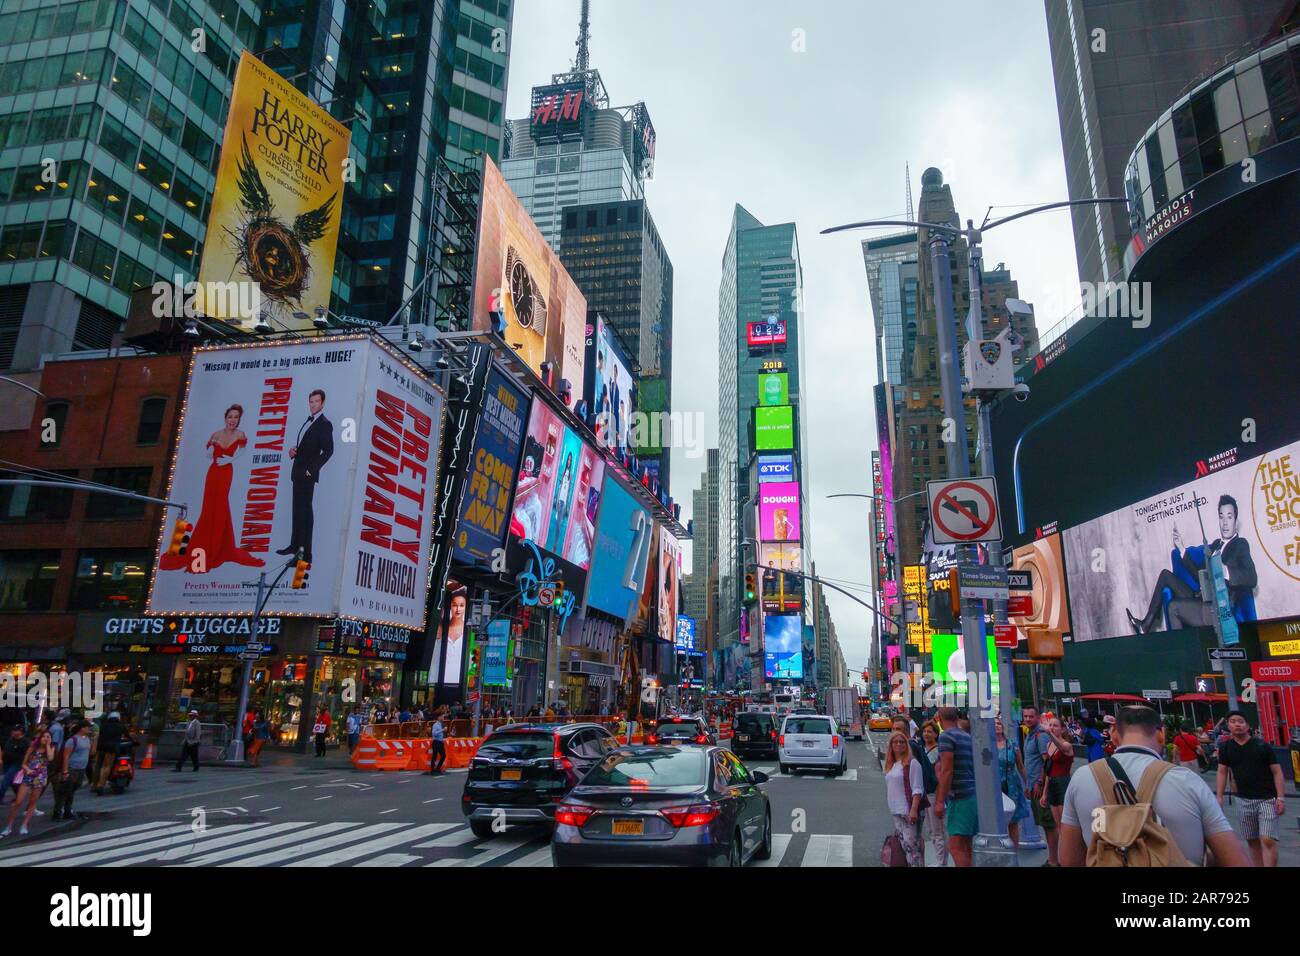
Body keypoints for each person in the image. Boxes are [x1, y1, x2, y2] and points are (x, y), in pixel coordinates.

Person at [1059, 705, 1248, 866]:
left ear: (1114, 735)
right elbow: (1235, 860)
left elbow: (1068, 860)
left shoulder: (1081, 778)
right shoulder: (1188, 781)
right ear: (1161, 734)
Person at [1126, 496, 1257, 634]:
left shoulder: (1240, 544)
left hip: (1216, 607)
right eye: (1221, 517)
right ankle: (1145, 625)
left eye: (1229, 517)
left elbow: (1252, 578)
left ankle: (1184, 648)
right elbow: (1198, 574)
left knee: (1173, 606)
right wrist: (1182, 548)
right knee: (1165, 574)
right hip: (1200, 597)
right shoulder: (1214, 545)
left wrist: (1225, 571)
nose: (1225, 522)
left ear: (1235, 520)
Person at [1215, 710, 1285, 867]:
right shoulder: (1226, 748)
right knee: (1252, 840)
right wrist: (1219, 796)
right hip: (1243, 799)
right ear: (1228, 725)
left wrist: (1280, 797)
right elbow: (1222, 771)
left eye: (1241, 721)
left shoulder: (1262, 746)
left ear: (1247, 726)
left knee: (1267, 839)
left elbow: (1277, 772)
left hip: (1267, 798)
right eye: (1233, 721)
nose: (1237, 724)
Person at [277, 389, 334, 564]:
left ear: (322, 403)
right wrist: (295, 451)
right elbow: (308, 447)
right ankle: (294, 546)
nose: (313, 404)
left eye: (316, 401)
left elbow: (329, 451)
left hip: (307, 475)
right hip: (298, 473)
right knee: (298, 511)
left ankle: (304, 555)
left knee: (305, 513)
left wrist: (312, 469)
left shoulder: (324, 423)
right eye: (311, 401)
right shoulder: (309, 421)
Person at [932, 706, 977, 867]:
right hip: (971, 795)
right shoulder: (966, 736)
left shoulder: (946, 737)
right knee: (966, 845)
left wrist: (939, 801)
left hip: (960, 796)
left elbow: (947, 770)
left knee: (956, 846)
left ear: (939, 719)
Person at [1022, 706, 1059, 866]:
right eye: (1026, 716)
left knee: (1049, 824)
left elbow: (1047, 760)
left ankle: (1054, 860)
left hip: (1041, 787)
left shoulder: (1040, 735)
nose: (1028, 719)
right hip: (1033, 786)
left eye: (1031, 716)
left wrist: (1039, 782)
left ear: (1037, 717)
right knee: (1045, 824)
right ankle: (1053, 858)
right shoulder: (1030, 734)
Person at [883, 731, 925, 867]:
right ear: (891, 745)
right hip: (896, 811)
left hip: (908, 811)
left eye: (902, 742)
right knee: (904, 846)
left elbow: (918, 789)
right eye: (895, 742)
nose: (899, 744)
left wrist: (913, 810)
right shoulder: (893, 764)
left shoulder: (912, 764)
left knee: (912, 847)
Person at [1, 728, 53, 836]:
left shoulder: (50, 749)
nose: (45, 739)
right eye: (44, 736)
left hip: (40, 776)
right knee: (18, 802)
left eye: (48, 737)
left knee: (33, 801)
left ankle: (24, 825)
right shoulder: (32, 748)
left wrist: (48, 745)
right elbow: (24, 763)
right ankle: (9, 826)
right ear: (40, 738)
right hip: (28, 775)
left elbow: (50, 758)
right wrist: (27, 769)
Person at [995, 715, 1031, 850]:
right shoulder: (988, 745)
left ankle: (1013, 852)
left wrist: (1027, 783)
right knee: (997, 820)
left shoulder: (1012, 744)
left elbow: (1021, 766)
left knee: (1013, 821)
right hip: (995, 786)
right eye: (993, 724)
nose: (996, 725)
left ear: (1002, 727)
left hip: (1012, 785)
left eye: (998, 723)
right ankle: (1001, 850)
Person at [1039, 716, 1074, 840]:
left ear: (1062, 729)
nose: (1052, 728)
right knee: (1057, 824)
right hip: (1052, 783)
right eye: (1050, 725)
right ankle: (1063, 853)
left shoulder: (1067, 745)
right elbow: (1049, 770)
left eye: (1055, 726)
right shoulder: (1049, 744)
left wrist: (1049, 734)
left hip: (1063, 783)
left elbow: (1063, 748)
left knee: (1066, 822)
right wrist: (1044, 793)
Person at [51, 720, 92, 820]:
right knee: (65, 790)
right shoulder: (72, 740)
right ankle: (58, 812)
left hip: (81, 768)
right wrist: (65, 771)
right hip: (72, 768)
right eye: (87, 727)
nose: (89, 729)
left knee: (72, 790)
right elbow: (66, 756)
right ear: (82, 728)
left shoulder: (87, 739)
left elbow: (91, 752)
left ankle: (67, 810)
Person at [919, 721, 947, 866]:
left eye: (930, 732)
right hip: (925, 794)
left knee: (937, 831)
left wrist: (940, 799)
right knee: (931, 830)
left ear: (936, 734)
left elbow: (941, 776)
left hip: (934, 794)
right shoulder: (922, 749)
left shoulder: (938, 752)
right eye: (924, 731)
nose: (926, 734)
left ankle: (941, 862)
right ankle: (939, 860)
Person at [96, 711, 127, 790]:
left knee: (98, 765)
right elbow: (127, 736)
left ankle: (94, 784)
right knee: (106, 766)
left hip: (100, 747)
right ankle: (100, 785)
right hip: (111, 748)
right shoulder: (120, 726)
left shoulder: (103, 726)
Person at [2, 725, 28, 802]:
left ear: (20, 732)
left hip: (17, 764)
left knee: (5, 780)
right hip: (7, 763)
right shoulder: (10, 739)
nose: (13, 731)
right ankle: (19, 795)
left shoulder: (25, 742)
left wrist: (25, 764)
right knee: (12, 782)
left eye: (15, 730)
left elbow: (29, 754)